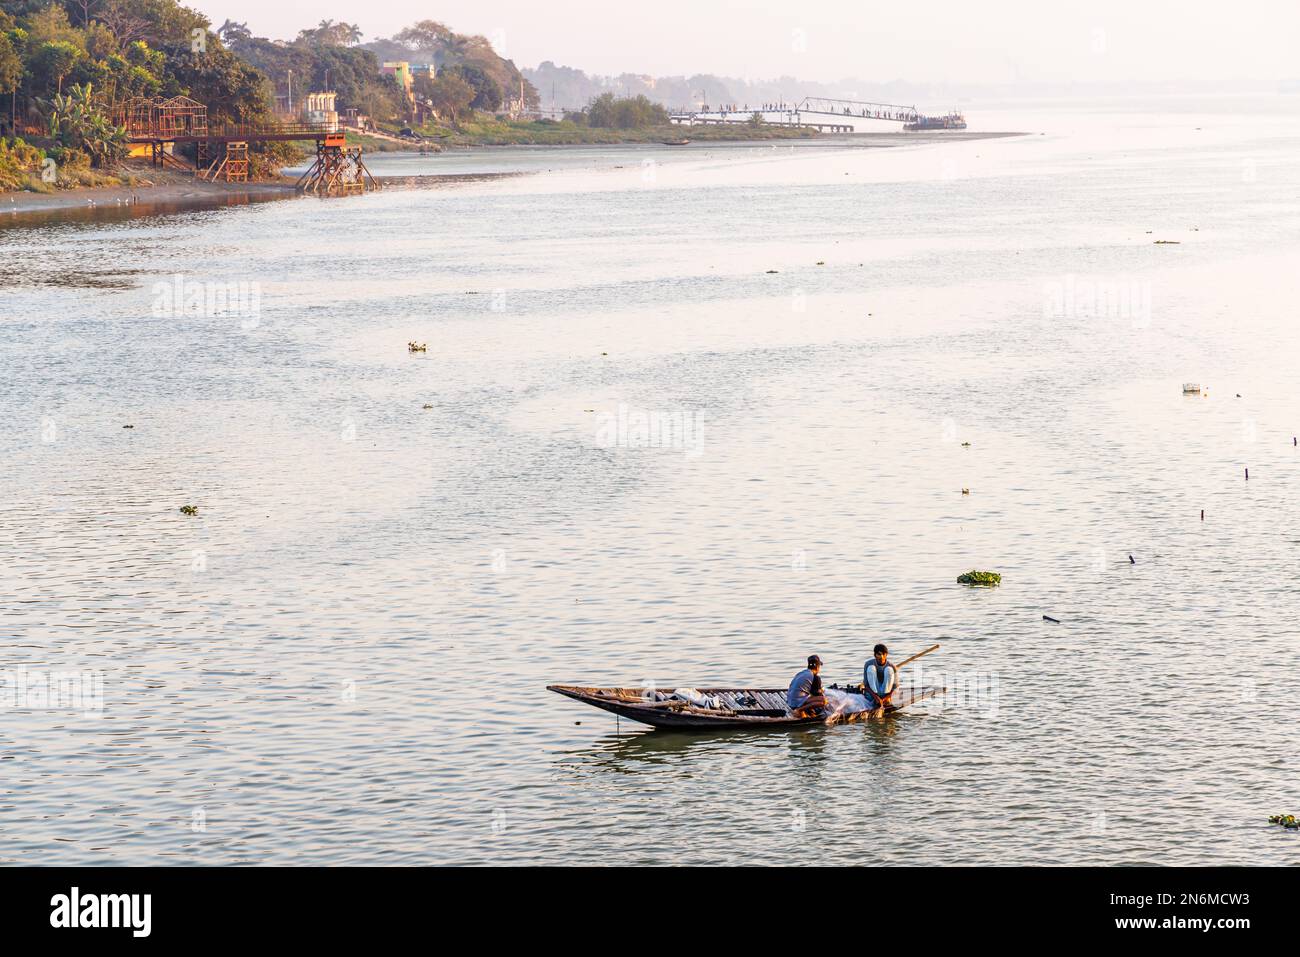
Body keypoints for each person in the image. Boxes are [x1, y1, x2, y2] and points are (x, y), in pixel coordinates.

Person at [864, 644, 897, 710]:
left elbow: (895, 688)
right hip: (873, 695)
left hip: (886, 694)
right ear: (875, 655)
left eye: (883, 654)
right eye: (879, 654)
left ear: (886, 655)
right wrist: (876, 698)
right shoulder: (868, 664)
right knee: (871, 668)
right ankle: (875, 700)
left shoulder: (892, 666)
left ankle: (886, 700)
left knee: (889, 670)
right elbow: (866, 685)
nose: (881, 657)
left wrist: (885, 699)